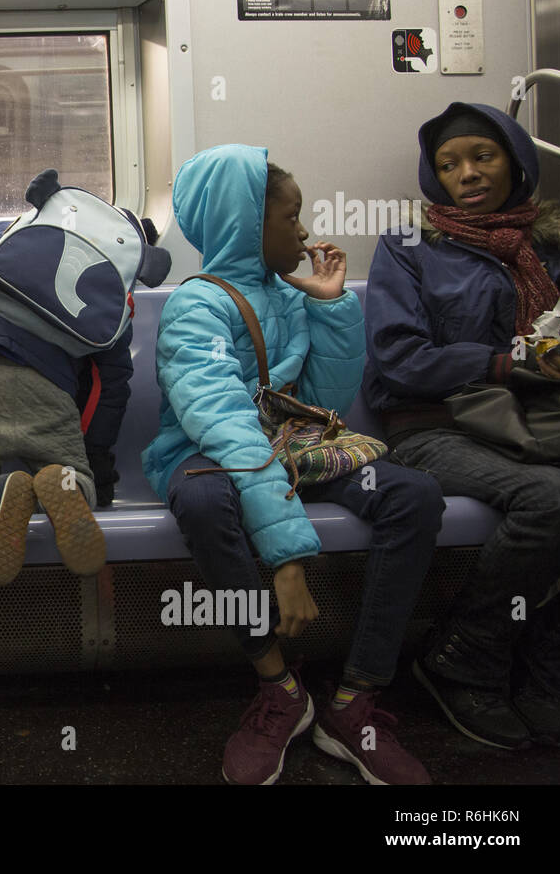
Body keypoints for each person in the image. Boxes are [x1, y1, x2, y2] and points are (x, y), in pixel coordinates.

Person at [143, 144, 444, 784]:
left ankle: (353, 699)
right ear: (246, 226)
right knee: (203, 500)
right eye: (291, 217)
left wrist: (332, 307)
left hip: (287, 447)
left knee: (412, 495)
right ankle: (278, 684)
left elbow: (320, 411)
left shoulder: (290, 296)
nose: (304, 231)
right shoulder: (196, 306)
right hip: (205, 451)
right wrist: (286, 558)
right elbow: (224, 425)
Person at [364, 102, 560, 749]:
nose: (468, 173)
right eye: (450, 164)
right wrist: (505, 363)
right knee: (552, 499)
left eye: (483, 156)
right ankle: (466, 656)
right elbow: (399, 360)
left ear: (515, 161)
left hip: (539, 423)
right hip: (434, 426)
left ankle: (546, 662)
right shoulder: (407, 248)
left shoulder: (553, 248)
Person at [0, 219, 134, 586]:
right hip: (49, 385)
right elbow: (111, 384)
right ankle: (65, 483)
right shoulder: (113, 288)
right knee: (75, 474)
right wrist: (96, 457)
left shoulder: (12, 231)